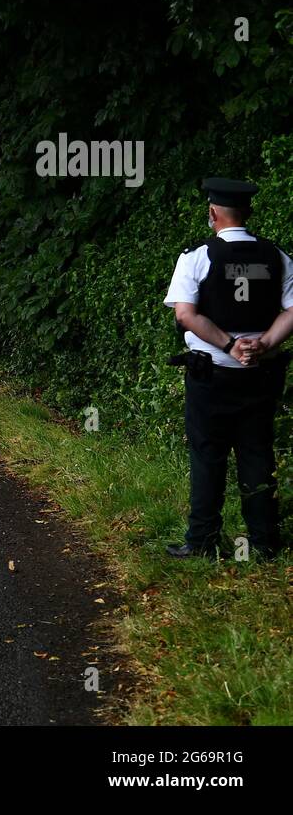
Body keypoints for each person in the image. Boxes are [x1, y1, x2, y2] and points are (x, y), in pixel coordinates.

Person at [164, 178, 293, 560]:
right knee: (257, 454)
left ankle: (202, 542)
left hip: (211, 375)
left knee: (207, 455)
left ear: (213, 213)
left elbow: (186, 315)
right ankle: (265, 543)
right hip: (261, 376)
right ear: (248, 212)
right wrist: (263, 344)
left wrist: (229, 345)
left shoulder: (197, 256)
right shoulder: (277, 256)